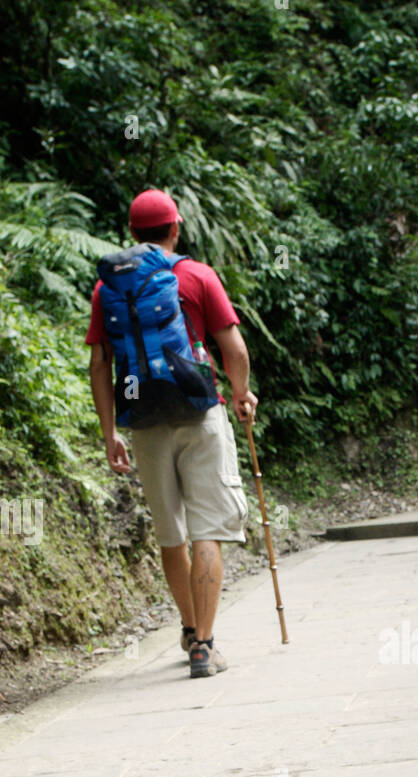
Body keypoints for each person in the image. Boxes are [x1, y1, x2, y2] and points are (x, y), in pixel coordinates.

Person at [86, 189, 258, 678]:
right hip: (200, 414)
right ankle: (204, 645)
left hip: (143, 421)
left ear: (132, 233)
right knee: (207, 529)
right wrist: (242, 394)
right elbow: (235, 351)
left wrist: (108, 434)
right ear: (175, 228)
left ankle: (186, 629)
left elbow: (100, 365)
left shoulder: (109, 288)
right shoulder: (197, 275)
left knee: (171, 534)